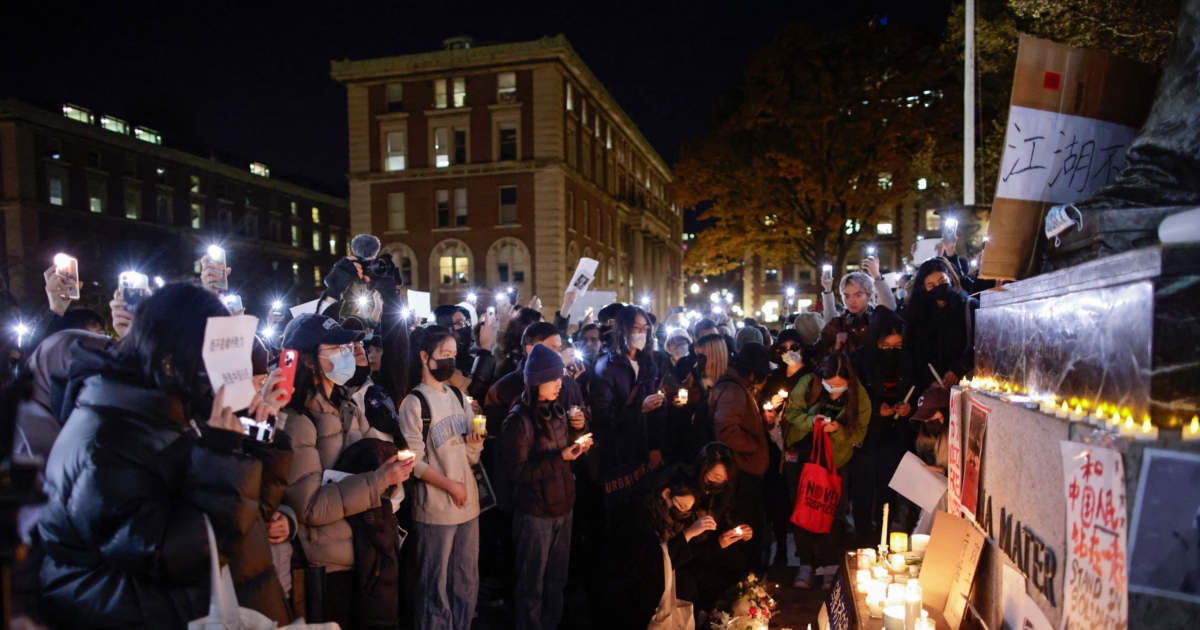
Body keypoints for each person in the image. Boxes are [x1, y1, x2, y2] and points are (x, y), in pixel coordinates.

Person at [38, 284, 292, 628]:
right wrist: (221, 456)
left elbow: (244, 519)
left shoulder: (174, 411)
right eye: (212, 353)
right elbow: (175, 556)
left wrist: (257, 440)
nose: (219, 370)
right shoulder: (108, 436)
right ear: (172, 358)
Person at [278, 313, 414, 627]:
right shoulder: (298, 421)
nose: (347, 351)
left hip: (365, 553)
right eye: (336, 346)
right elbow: (310, 507)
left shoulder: (349, 407)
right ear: (311, 360)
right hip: (327, 564)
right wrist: (379, 480)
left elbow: (381, 461)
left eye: (347, 344)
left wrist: (393, 475)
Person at [398, 325, 486, 630]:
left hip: (468, 507)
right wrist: (450, 485)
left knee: (466, 579)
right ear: (425, 357)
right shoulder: (414, 403)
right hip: (436, 510)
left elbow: (469, 456)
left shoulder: (458, 396)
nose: (450, 361)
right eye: (444, 355)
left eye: (454, 354)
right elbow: (414, 461)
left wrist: (476, 441)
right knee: (434, 586)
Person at [501, 344, 592, 630]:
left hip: (563, 508)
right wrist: (560, 458)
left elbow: (564, 455)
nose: (559, 384)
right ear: (536, 380)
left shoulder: (557, 411)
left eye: (561, 377)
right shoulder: (518, 420)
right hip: (535, 513)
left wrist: (577, 438)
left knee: (556, 582)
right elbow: (517, 472)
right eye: (554, 379)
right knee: (531, 585)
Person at [783, 352, 871, 588]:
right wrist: (811, 421)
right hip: (802, 454)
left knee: (831, 510)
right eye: (830, 384)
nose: (834, 390)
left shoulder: (858, 393)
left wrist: (838, 430)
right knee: (802, 508)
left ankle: (829, 564)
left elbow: (860, 431)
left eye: (840, 386)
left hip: (835, 460)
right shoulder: (809, 383)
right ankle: (806, 563)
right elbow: (791, 412)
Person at [605, 466, 715, 628]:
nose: (681, 513)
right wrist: (688, 533)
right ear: (666, 493)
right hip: (629, 580)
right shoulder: (640, 513)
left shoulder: (666, 516)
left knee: (689, 582)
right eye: (681, 506)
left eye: (686, 511)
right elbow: (653, 559)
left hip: (649, 574)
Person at [849, 308, 915, 547]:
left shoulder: (907, 359)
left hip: (894, 436)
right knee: (863, 492)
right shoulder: (859, 360)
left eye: (897, 346)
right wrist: (877, 409)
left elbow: (915, 391)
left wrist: (909, 409)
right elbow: (852, 398)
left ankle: (883, 540)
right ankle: (862, 538)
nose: (891, 352)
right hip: (865, 437)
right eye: (886, 346)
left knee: (887, 493)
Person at [590, 305, 664, 506]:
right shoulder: (606, 366)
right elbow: (602, 414)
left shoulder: (648, 363)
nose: (641, 333)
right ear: (622, 329)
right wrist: (639, 409)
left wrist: (654, 447)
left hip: (642, 449)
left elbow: (655, 413)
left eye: (645, 329)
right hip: (617, 452)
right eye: (636, 328)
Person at [711, 342, 774, 571]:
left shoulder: (738, 387)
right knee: (747, 526)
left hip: (743, 468)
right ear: (752, 373)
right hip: (742, 470)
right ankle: (747, 578)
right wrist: (754, 446)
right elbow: (726, 430)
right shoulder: (734, 390)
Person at [676, 443, 754, 619]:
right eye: (715, 477)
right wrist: (717, 545)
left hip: (709, 550)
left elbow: (724, 519)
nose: (719, 483)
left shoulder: (720, 492)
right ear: (703, 469)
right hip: (687, 559)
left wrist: (739, 533)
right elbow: (680, 548)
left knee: (738, 561)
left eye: (724, 480)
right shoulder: (686, 495)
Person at [758, 329, 811, 567]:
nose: (789, 353)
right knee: (778, 497)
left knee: (800, 496)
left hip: (801, 443)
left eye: (794, 348)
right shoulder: (775, 376)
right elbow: (765, 407)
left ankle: (805, 556)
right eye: (783, 349)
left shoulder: (811, 375)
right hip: (776, 445)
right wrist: (769, 413)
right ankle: (780, 548)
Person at [904, 257, 978, 389]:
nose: (938, 287)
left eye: (942, 281)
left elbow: (980, 346)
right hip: (932, 388)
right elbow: (915, 353)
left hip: (964, 384)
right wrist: (929, 380)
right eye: (931, 285)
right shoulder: (919, 314)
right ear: (923, 287)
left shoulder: (968, 307)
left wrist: (958, 369)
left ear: (949, 277)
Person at [818, 263, 895, 358]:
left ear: (869, 295)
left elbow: (891, 309)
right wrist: (836, 347)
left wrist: (877, 277)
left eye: (858, 295)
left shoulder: (879, 322)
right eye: (846, 296)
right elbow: (821, 354)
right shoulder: (838, 323)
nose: (851, 301)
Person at [908, 386, 950, 535]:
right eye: (925, 420)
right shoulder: (924, 441)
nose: (928, 423)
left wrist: (943, 474)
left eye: (932, 418)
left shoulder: (954, 440)